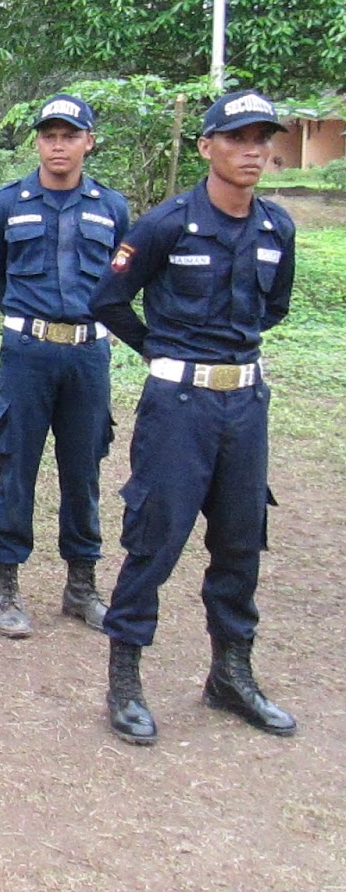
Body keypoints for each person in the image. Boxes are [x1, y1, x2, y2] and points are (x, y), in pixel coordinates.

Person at [90, 90, 297, 746]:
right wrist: (163, 351)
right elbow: (110, 299)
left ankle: (231, 674)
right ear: (207, 147)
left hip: (246, 404)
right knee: (155, 539)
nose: (252, 152)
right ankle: (125, 679)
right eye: (237, 139)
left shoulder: (276, 229)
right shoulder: (167, 225)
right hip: (179, 407)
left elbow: (274, 310)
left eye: (261, 139)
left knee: (240, 541)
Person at [0, 95, 131, 638]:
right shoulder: (6, 204)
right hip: (28, 353)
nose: (59, 145)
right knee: (16, 466)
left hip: (89, 355)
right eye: (49, 135)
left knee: (83, 469)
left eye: (70, 135)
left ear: (88, 141)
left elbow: (119, 278)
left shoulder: (111, 207)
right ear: (38, 142)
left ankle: (81, 585)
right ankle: (6, 585)